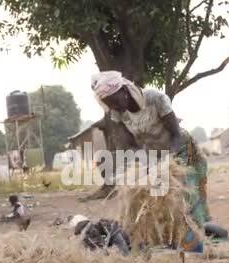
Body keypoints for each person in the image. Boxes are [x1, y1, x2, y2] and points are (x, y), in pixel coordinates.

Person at [90, 71, 210, 228]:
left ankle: (200, 240)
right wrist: (144, 165)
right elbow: (130, 144)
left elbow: (175, 134)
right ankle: (173, 238)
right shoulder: (118, 113)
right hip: (155, 156)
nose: (114, 106)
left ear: (125, 91)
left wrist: (169, 163)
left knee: (189, 197)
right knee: (158, 199)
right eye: (109, 103)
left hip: (181, 150)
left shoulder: (154, 98)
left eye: (114, 100)